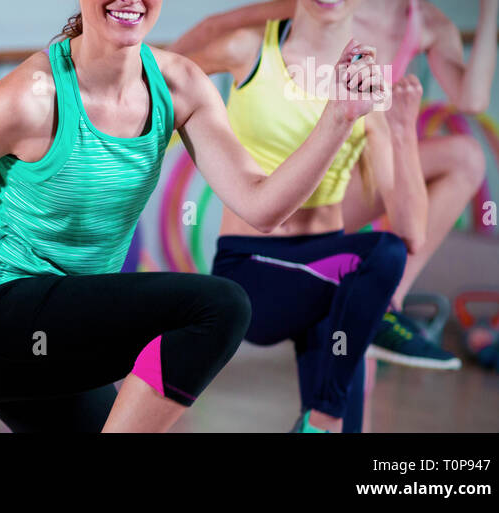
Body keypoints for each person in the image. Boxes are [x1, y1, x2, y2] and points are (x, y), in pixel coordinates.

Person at [0, 0, 385, 433]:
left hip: (61, 334)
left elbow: (260, 205)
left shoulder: (179, 84)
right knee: (219, 306)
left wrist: (337, 118)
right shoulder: (32, 97)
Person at [170, 0, 499, 370]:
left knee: (466, 159)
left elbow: (472, 100)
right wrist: (153, 67)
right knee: (349, 299)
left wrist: (491, 8)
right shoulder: (322, 6)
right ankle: (377, 311)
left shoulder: (427, 24)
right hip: (305, 166)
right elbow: (218, 25)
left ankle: (388, 306)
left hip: (361, 159)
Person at [173, 0, 429, 432]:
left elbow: (412, 234)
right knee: (376, 255)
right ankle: (324, 413)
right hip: (253, 273)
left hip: (328, 279)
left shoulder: (367, 83)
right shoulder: (248, 50)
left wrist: (402, 132)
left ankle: (323, 418)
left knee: (347, 428)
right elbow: (165, 73)